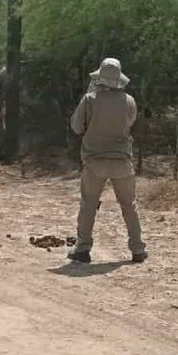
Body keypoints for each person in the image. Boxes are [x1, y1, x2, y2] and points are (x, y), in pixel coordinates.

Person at [68, 57, 147, 264]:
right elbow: (129, 122)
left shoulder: (89, 99)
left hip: (95, 161)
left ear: (99, 77)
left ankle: (83, 249)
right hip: (122, 161)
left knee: (89, 205)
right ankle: (138, 249)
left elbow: (76, 127)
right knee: (129, 205)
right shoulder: (129, 100)